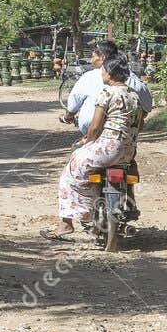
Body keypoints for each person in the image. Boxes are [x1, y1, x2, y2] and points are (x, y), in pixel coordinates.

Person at [47, 55, 143, 239]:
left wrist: (86, 141)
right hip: (128, 151)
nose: (102, 73)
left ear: (110, 74)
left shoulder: (107, 93)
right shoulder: (134, 95)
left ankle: (66, 223)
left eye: (104, 70)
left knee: (69, 174)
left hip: (107, 150)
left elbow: (95, 127)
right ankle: (125, 207)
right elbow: (139, 125)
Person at [63, 41, 153, 134]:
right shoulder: (131, 78)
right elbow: (147, 106)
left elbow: (74, 104)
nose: (91, 61)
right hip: (125, 133)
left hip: (96, 132)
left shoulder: (94, 81)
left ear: (103, 58)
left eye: (93, 57)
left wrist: (68, 116)